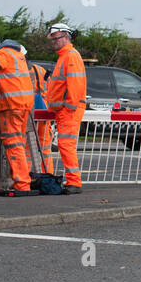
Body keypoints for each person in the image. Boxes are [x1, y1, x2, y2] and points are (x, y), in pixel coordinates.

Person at [0, 32, 36, 196]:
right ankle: (23, 181)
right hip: (23, 105)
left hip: (11, 105)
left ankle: (22, 183)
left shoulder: (2, 53)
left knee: (13, 144)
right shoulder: (16, 53)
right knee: (19, 143)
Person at [45, 22, 86, 194]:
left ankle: (74, 182)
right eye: (52, 39)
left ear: (66, 37)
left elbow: (74, 84)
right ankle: (73, 181)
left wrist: (68, 107)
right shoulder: (65, 56)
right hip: (65, 110)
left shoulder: (70, 55)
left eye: (56, 38)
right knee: (65, 145)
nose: (53, 41)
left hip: (68, 110)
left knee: (66, 145)